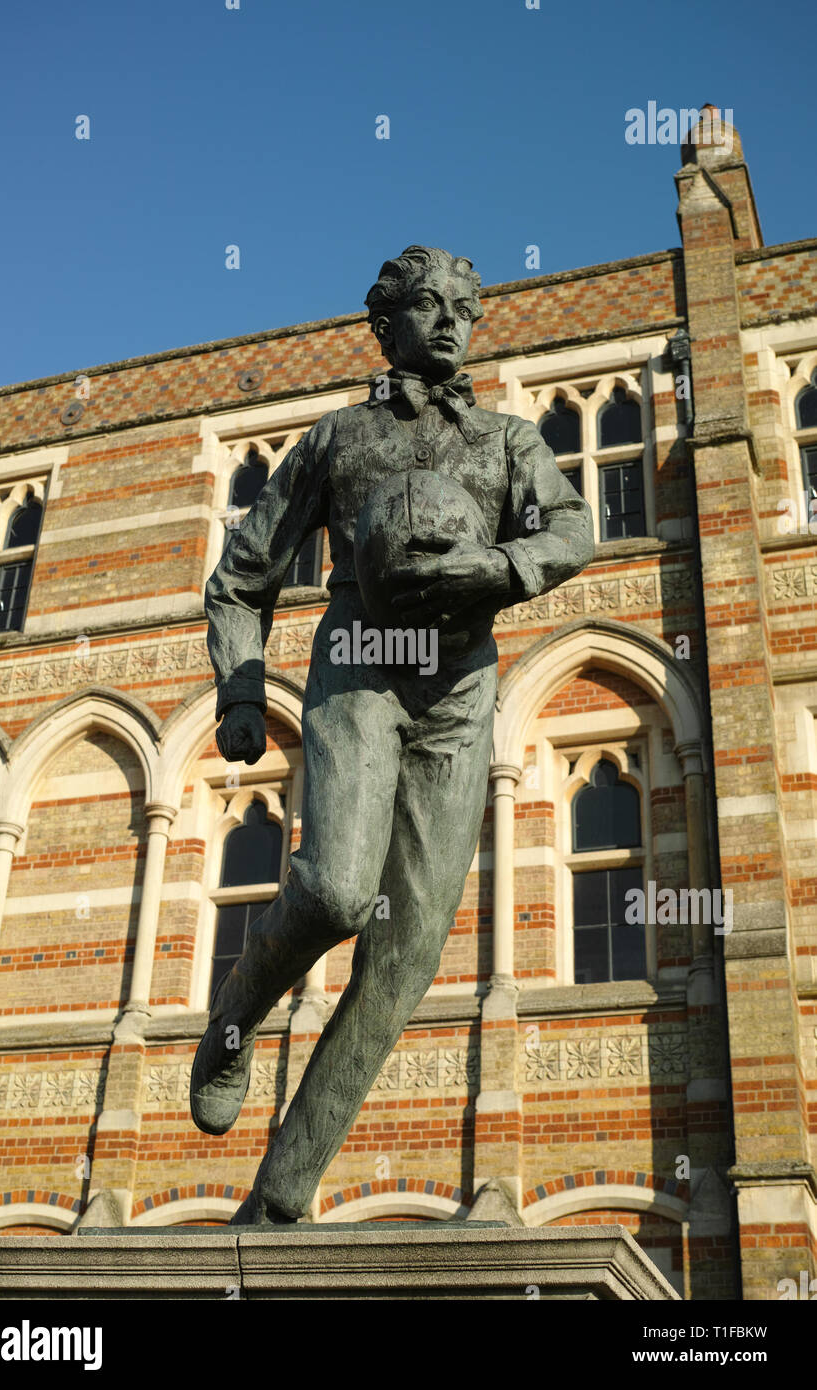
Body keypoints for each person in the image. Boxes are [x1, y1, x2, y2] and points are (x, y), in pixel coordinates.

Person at [190, 245, 594, 1224]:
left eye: (465, 306)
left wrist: (493, 572)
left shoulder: (505, 443)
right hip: (362, 660)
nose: (451, 320)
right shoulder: (337, 441)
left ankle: (282, 1191)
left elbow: (568, 529)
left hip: (456, 690)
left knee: (405, 957)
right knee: (335, 887)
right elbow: (243, 576)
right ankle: (233, 1019)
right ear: (387, 322)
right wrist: (241, 692)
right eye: (428, 304)